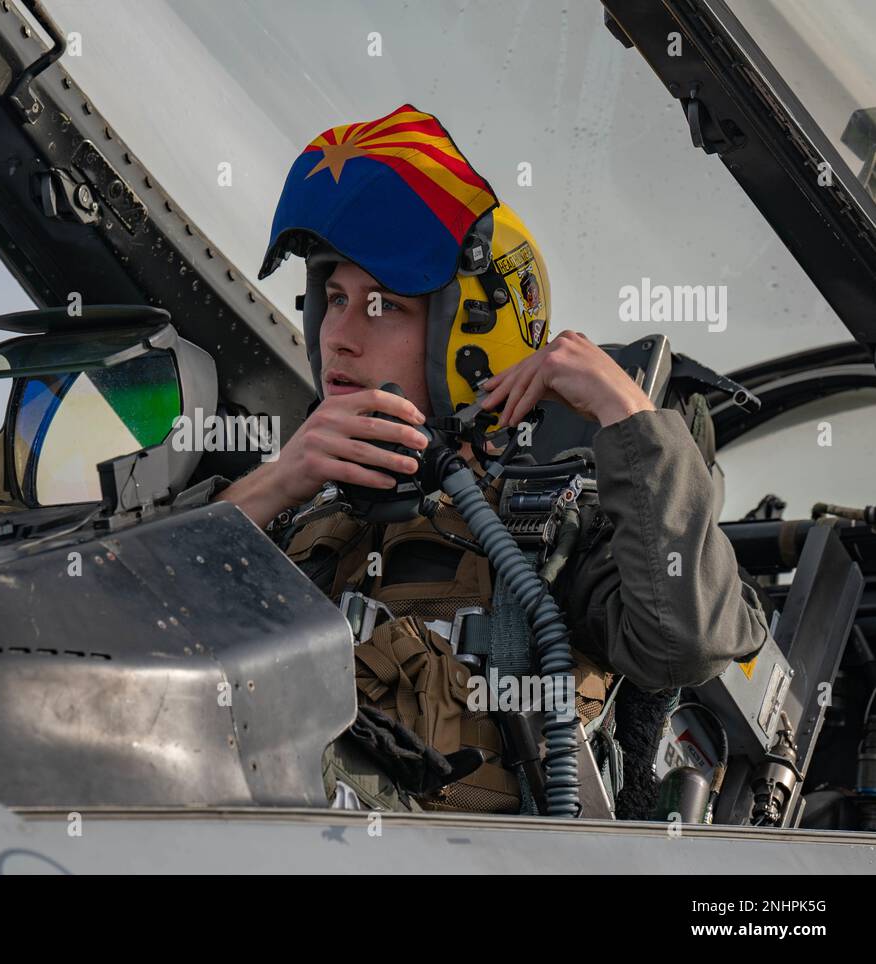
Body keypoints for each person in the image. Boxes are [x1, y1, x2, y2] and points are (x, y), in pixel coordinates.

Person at [213, 104, 771, 815]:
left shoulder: (550, 531)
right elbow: (133, 639)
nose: (340, 338)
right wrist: (273, 485)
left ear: (469, 334)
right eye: (333, 300)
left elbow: (684, 643)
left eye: (381, 306)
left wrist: (628, 415)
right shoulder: (306, 517)